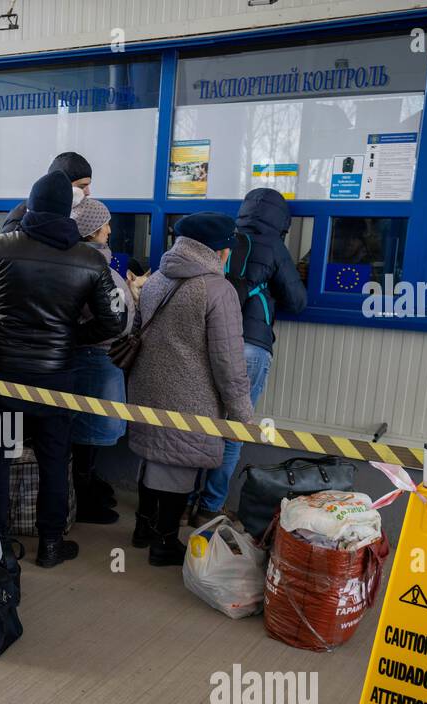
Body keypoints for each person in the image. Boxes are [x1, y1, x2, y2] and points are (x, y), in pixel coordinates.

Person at [0, 170, 124, 567]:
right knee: (55, 460)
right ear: (68, 212)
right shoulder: (89, 259)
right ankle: (50, 544)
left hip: (1, 375)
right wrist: (72, 338)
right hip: (56, 377)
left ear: (31, 204)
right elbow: (115, 320)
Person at [127, 213, 253, 566]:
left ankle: (143, 529)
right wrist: (243, 414)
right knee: (178, 464)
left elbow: (138, 328)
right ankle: (164, 544)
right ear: (222, 251)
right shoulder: (217, 290)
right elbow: (228, 360)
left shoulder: (155, 279)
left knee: (153, 457)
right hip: (190, 395)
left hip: (147, 386)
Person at [194, 188, 307, 524]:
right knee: (233, 433)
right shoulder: (274, 246)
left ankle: (182, 501)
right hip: (251, 346)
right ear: (281, 220)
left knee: (197, 425)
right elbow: (297, 301)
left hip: (211, 340)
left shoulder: (227, 239)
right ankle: (209, 508)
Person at [69, 196, 135, 525]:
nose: (110, 230)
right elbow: (110, 316)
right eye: (105, 224)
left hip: (96, 355)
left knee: (88, 430)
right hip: (94, 355)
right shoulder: (91, 266)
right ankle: (82, 500)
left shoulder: (88, 261)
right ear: (93, 230)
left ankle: (87, 487)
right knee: (87, 431)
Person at [1, 152, 93, 234]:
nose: (88, 192)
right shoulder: (20, 218)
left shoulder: (80, 212)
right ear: (61, 185)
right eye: (81, 187)